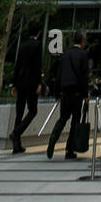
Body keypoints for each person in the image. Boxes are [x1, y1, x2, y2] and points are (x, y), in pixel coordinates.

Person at [46, 32, 89, 160]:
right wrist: (86, 94)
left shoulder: (65, 55)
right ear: (82, 41)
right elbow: (84, 77)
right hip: (76, 93)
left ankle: (52, 141)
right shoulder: (83, 55)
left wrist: (56, 92)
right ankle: (69, 150)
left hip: (65, 92)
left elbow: (59, 75)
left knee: (62, 119)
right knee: (75, 122)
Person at [10, 21, 43, 154]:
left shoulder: (23, 45)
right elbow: (37, 65)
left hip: (21, 81)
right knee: (33, 110)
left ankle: (16, 145)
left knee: (19, 111)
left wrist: (14, 84)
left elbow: (17, 65)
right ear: (39, 33)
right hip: (31, 82)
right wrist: (39, 83)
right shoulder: (38, 45)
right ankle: (16, 133)